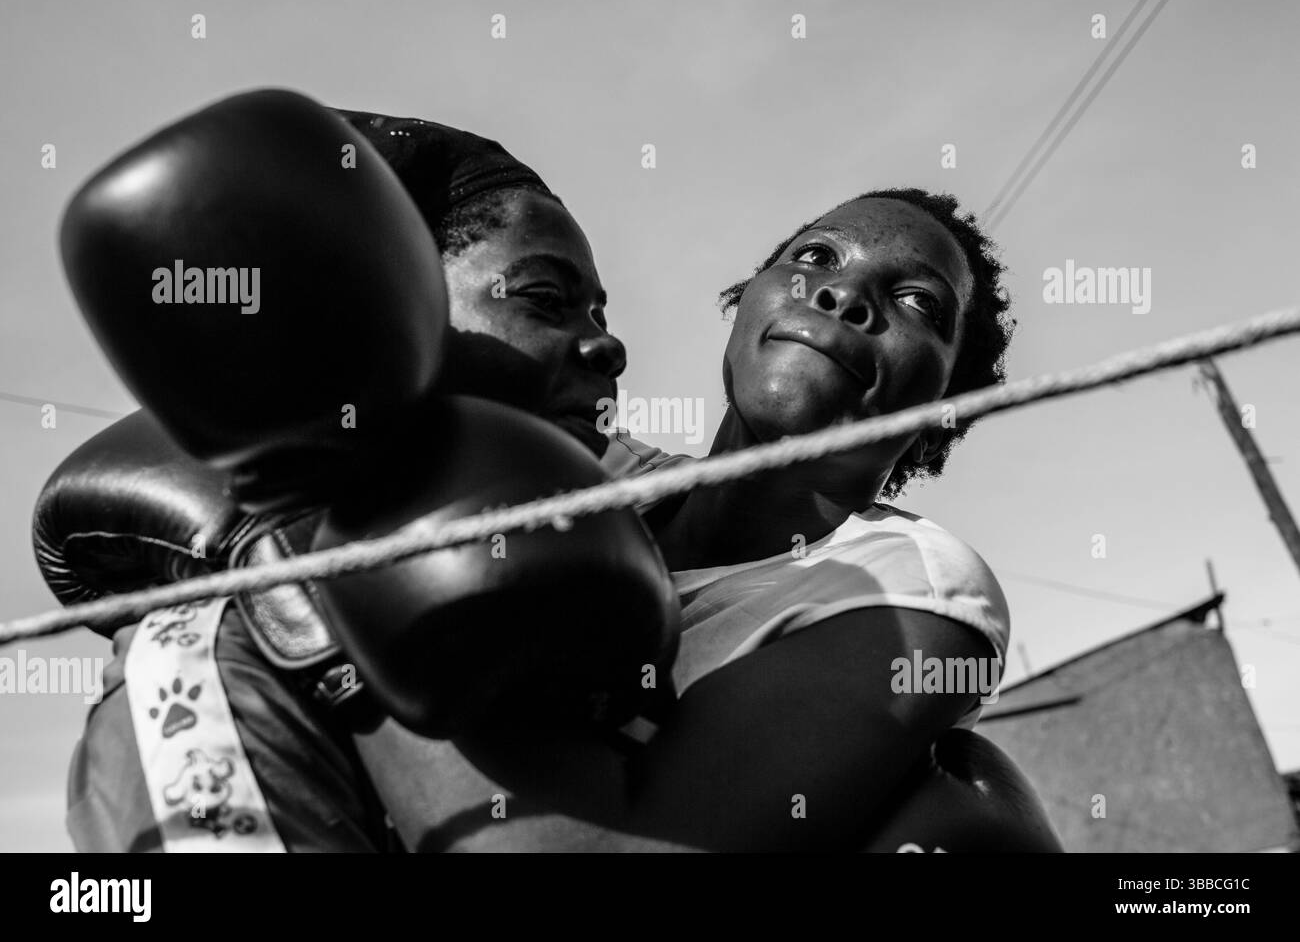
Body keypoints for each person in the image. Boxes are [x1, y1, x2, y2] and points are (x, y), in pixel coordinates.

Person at [368, 187, 1032, 852]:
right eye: (817, 257)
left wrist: (325, 551)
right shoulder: (590, 472)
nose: (844, 295)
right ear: (747, 300)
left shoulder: (918, 586)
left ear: (947, 405)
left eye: (918, 302)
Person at [49, 106, 632, 852]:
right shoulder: (211, 628)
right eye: (544, 299)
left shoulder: (649, 499)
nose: (608, 344)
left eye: (599, 312)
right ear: (390, 300)